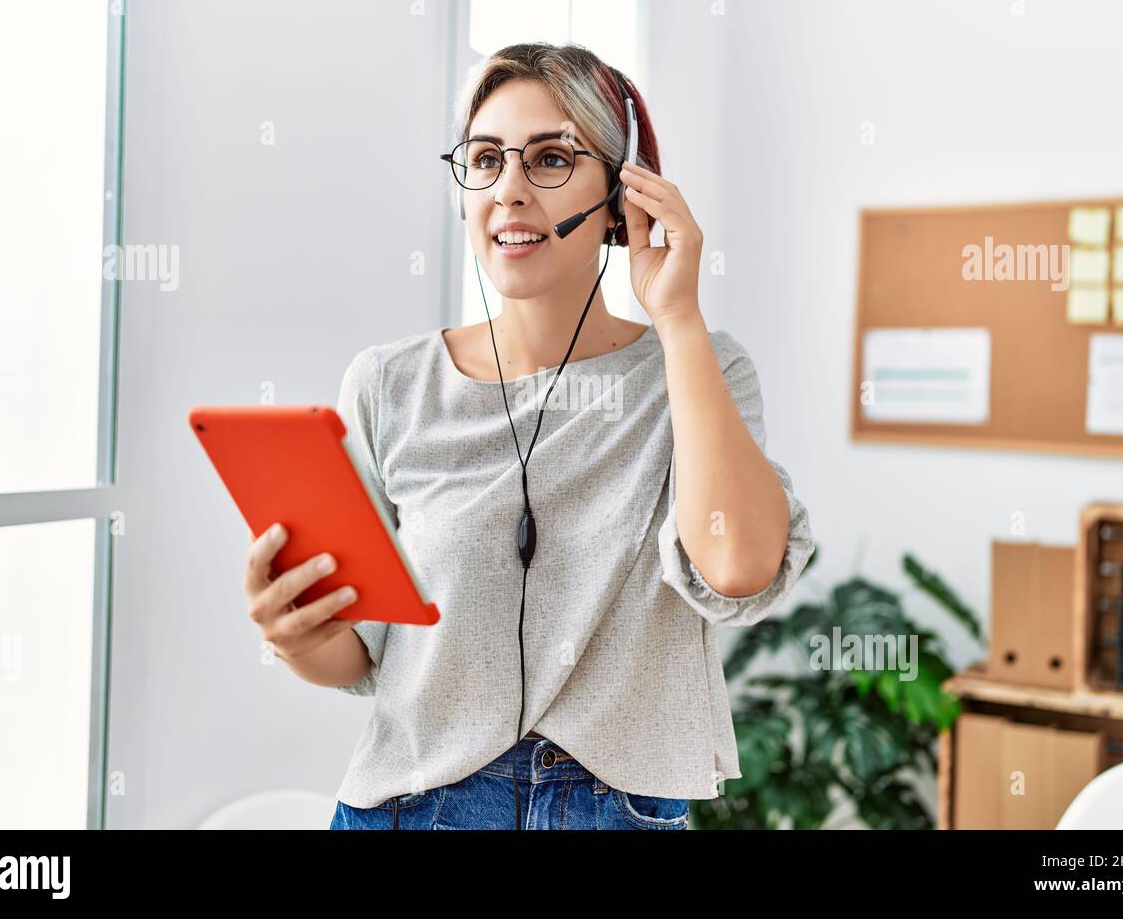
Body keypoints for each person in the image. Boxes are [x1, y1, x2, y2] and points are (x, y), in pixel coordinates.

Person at [241, 42, 815, 830]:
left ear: (622, 195)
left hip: (618, 812)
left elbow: (740, 569)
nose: (508, 191)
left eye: (550, 159)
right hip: (414, 807)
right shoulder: (390, 384)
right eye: (484, 159)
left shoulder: (699, 370)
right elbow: (364, 660)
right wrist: (297, 633)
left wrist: (676, 316)